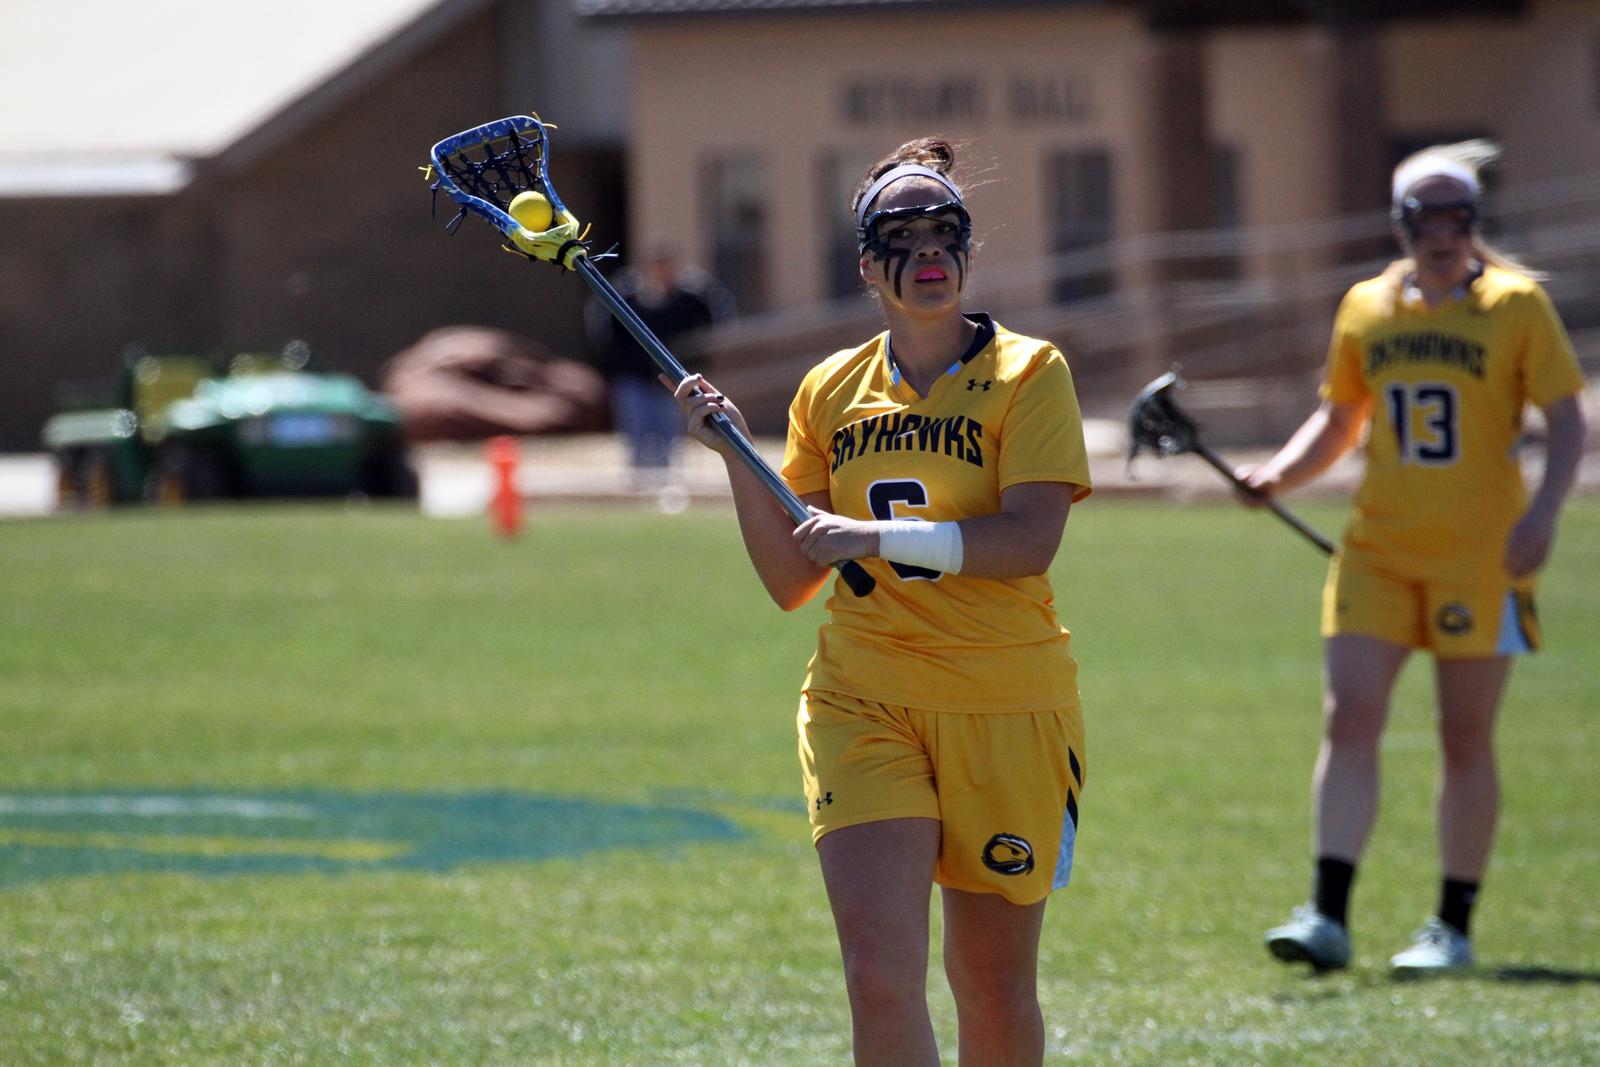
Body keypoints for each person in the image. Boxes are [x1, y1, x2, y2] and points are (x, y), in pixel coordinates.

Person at [666, 139, 1092, 1064]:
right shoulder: (829, 390)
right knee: (878, 977)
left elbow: (1030, 541)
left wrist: (875, 537)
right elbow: (792, 581)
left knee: (991, 986)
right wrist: (739, 457)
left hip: (1004, 701)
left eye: (946, 231)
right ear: (867, 264)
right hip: (863, 697)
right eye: (901, 236)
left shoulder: (1032, 372)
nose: (929, 251)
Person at [1249, 140, 1588, 974]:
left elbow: (1569, 419)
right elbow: (1340, 420)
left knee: (1465, 734)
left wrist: (1545, 512)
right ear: (1401, 223)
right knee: (1349, 716)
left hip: (1484, 554)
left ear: (1475, 222)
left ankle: (1453, 926)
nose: (1442, 232)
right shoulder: (1366, 305)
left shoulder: (1516, 306)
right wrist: (1279, 475)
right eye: (1426, 217)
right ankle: (1326, 915)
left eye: (1457, 216)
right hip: (1378, 549)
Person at [584, 246, 733, 484]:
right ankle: (639, 487)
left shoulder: (689, 299)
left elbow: (717, 318)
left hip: (673, 381)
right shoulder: (627, 296)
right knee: (637, 436)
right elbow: (602, 326)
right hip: (634, 376)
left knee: (671, 438)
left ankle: (667, 488)